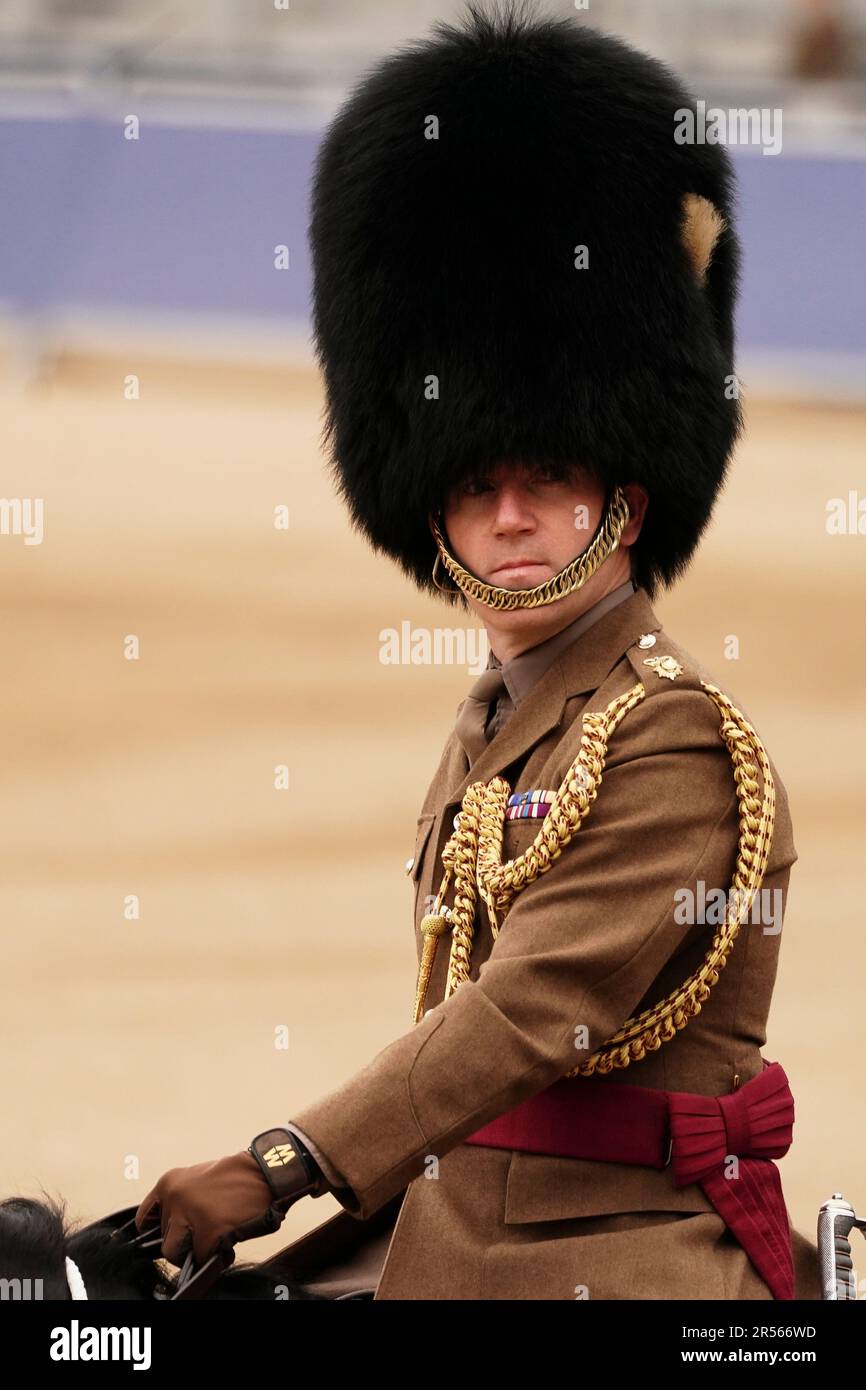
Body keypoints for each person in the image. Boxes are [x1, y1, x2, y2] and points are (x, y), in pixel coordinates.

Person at [135, 1, 822, 1300]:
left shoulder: (666, 737)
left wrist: (278, 1166)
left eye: (548, 476)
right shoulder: (499, 718)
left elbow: (516, 1019)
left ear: (624, 494)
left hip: (611, 1259)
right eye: (473, 482)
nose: (506, 516)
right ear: (427, 499)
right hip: (453, 1229)